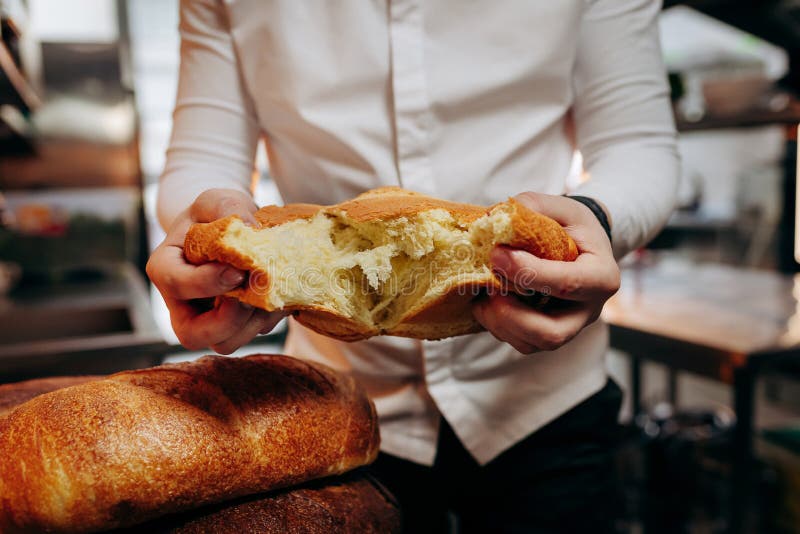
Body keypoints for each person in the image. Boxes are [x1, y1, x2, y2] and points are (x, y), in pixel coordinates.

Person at [147, 1, 679, 531]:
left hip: (545, 404)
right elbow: (204, 153)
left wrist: (594, 220)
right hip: (337, 405)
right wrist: (210, 232)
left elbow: (639, 145)